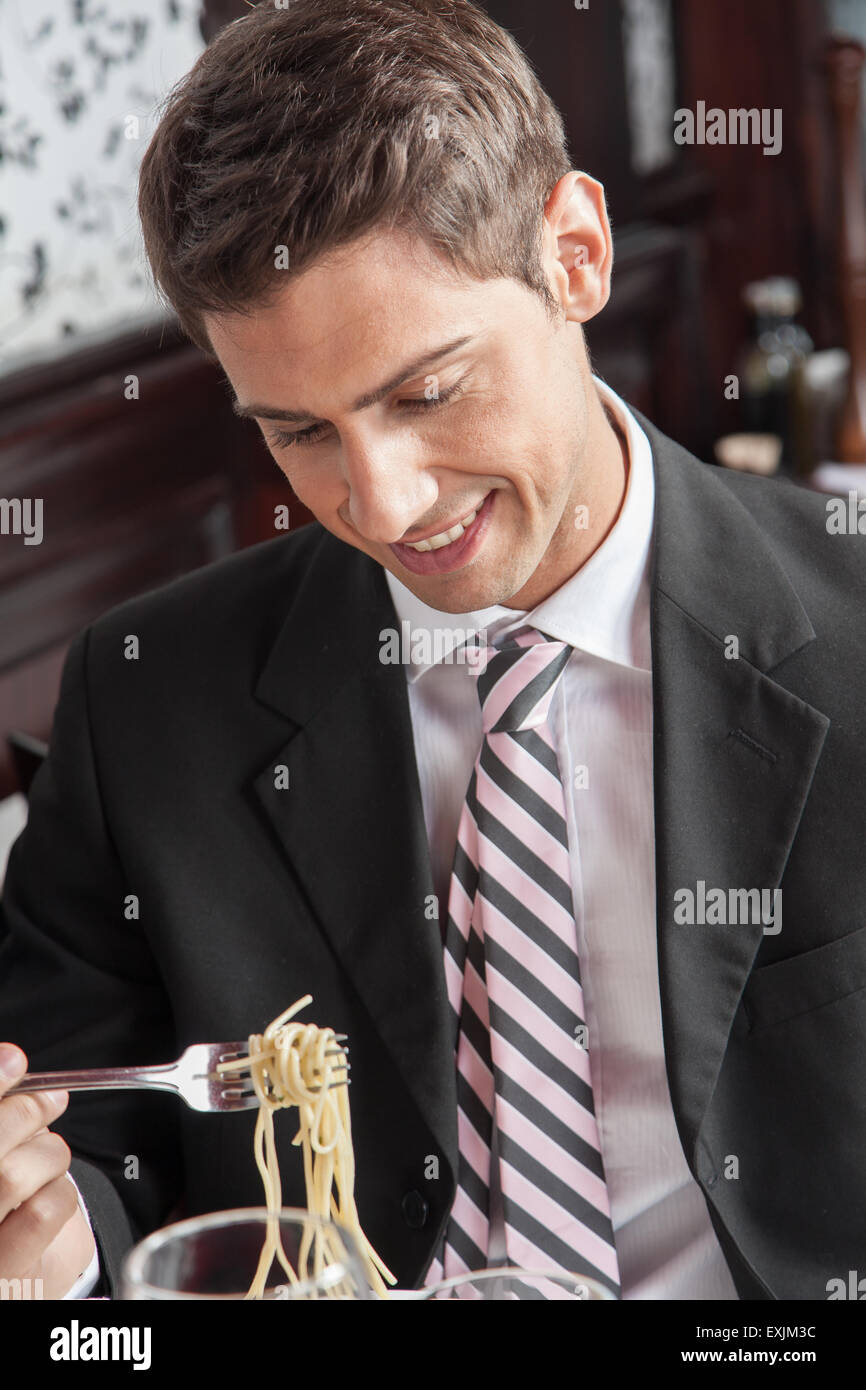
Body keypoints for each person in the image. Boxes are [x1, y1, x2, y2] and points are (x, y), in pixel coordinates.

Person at [1, 0, 864, 1302]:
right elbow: (98, 1161)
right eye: (297, 430)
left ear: (574, 256)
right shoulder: (147, 698)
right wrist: (49, 1242)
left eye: (425, 392)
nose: (383, 504)